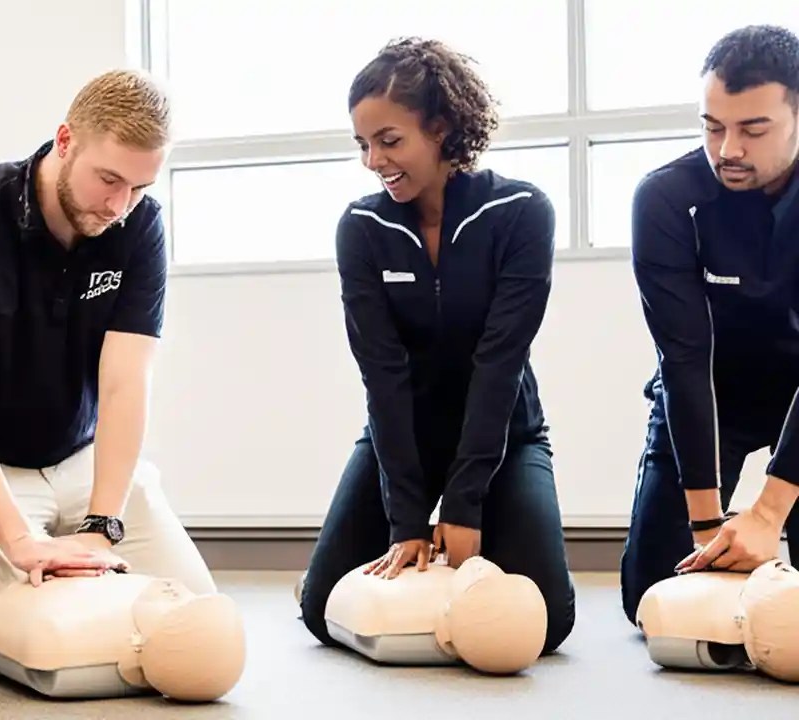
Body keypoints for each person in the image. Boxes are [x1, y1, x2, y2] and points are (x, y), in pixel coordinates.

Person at [0, 68, 216, 653]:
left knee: (194, 621)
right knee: (19, 635)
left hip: (78, 456)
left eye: (140, 187)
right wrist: (19, 542)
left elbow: (124, 383)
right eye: (109, 179)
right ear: (65, 140)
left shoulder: (138, 223)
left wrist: (103, 525)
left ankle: (65, 543)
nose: (120, 206)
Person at [298, 37, 576, 656]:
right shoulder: (362, 228)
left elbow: (499, 363)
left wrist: (465, 503)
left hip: (508, 435)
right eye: (363, 145)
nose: (374, 160)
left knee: (548, 623)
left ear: (443, 128)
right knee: (320, 611)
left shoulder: (521, 211)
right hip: (400, 435)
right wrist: (406, 519)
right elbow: (383, 376)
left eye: (389, 141)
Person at [621, 24, 799, 623]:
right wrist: (705, 527)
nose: (727, 149)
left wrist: (769, 513)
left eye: (752, 129)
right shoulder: (665, 199)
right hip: (709, 391)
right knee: (652, 601)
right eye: (712, 126)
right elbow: (684, 359)